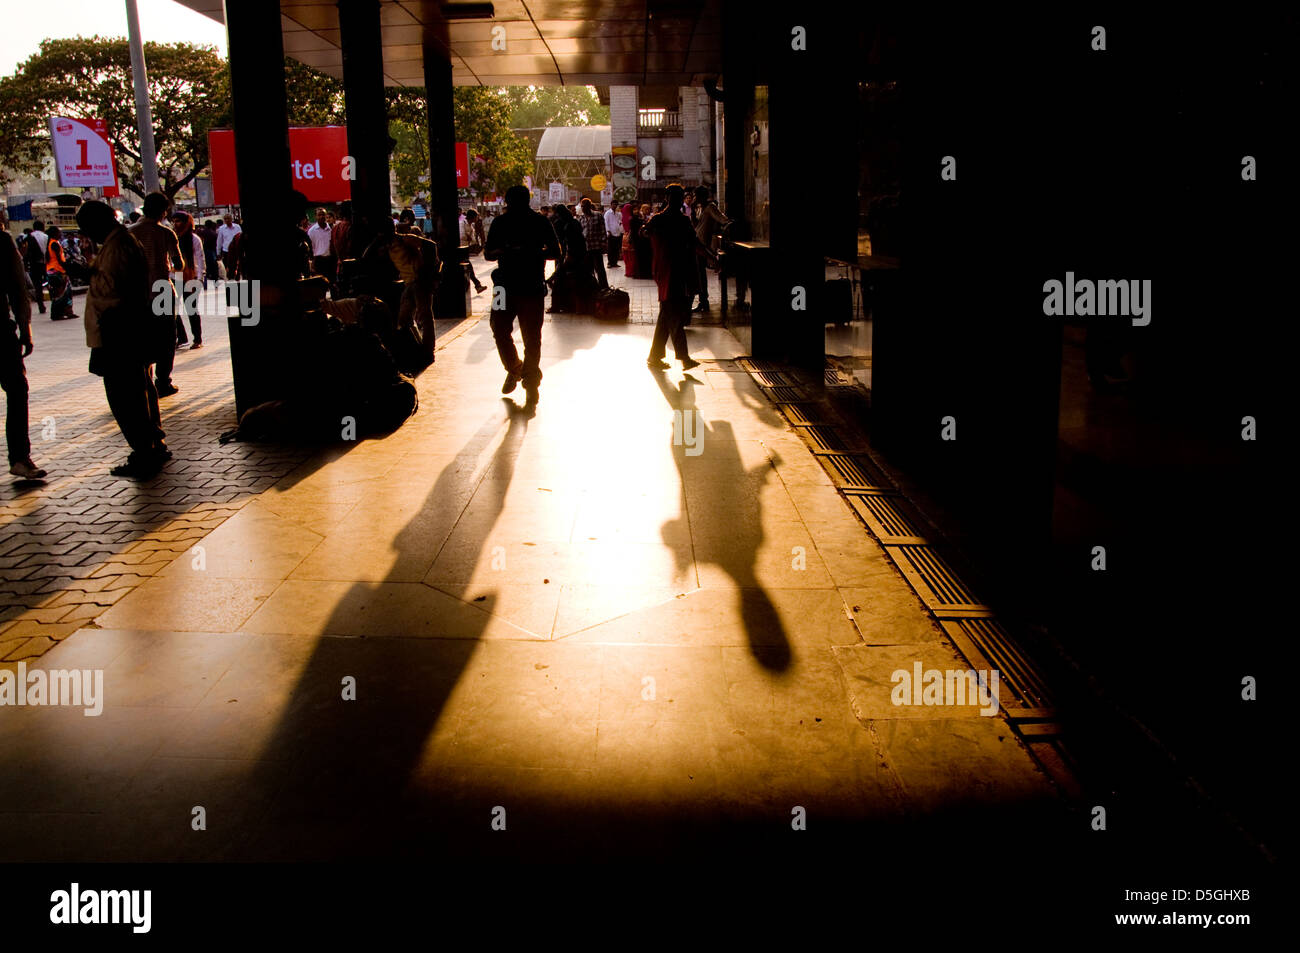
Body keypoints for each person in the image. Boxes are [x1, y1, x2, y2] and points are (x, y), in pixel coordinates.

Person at [76, 200, 169, 478]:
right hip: (125, 328)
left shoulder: (118, 246)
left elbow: (113, 289)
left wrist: (88, 274)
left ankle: (144, 450)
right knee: (138, 389)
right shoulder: (121, 243)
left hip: (118, 329)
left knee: (124, 395)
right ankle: (152, 443)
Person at [484, 185, 561, 405]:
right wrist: (531, 252)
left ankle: (519, 372)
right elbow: (556, 251)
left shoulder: (502, 222)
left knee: (500, 330)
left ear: (507, 201)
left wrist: (517, 251)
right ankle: (524, 375)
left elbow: (488, 253)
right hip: (528, 286)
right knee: (531, 338)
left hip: (507, 286)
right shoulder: (538, 222)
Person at [645, 183, 716, 370]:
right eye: (675, 197)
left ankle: (654, 356)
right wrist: (711, 258)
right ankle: (683, 357)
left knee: (666, 314)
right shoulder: (669, 220)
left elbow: (695, 243)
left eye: (680, 197)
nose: (678, 200)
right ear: (668, 198)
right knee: (674, 314)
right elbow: (695, 244)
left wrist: (711, 257)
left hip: (672, 272)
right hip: (669, 273)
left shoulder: (663, 220)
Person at [1, 209, 46, 479]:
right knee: (17, 391)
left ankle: (20, 457)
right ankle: (19, 457)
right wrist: (25, 328)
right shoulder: (2, 241)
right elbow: (17, 288)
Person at [129, 192, 184, 397]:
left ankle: (145, 381)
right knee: (167, 338)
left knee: (142, 337)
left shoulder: (130, 232)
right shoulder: (166, 233)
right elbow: (178, 265)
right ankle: (163, 382)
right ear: (163, 211)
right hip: (162, 292)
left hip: (138, 294)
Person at [691, 186, 730, 313]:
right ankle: (703, 301)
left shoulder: (710, 207)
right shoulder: (700, 209)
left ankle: (704, 301)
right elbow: (696, 225)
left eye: (696, 196)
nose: (694, 198)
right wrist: (692, 210)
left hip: (703, 244)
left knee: (701, 274)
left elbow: (724, 220)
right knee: (699, 274)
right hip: (697, 243)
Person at [171, 212, 205, 348]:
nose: (175, 224)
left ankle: (197, 339)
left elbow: (200, 258)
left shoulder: (194, 239)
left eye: (178, 221)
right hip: (175, 276)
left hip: (191, 277)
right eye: (173, 221)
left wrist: (200, 277)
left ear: (186, 222)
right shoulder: (172, 237)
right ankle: (182, 337)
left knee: (191, 309)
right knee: (171, 308)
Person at [44, 226, 75, 320]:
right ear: (54, 234)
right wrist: (67, 267)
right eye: (59, 232)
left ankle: (61, 313)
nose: (60, 234)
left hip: (52, 270)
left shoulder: (51, 243)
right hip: (58, 270)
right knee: (62, 293)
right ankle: (60, 313)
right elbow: (59, 260)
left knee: (58, 293)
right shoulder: (54, 244)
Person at [578, 198, 608, 291]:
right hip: (586, 247)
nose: (583, 208)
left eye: (585, 206)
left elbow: (603, 230)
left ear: (589, 206)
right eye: (582, 206)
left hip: (596, 246)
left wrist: (603, 243)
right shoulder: (581, 218)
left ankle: (604, 288)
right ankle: (592, 288)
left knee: (600, 269)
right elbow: (580, 232)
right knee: (588, 269)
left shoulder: (597, 215)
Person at [307, 207, 335, 285]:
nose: (322, 217)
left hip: (330, 259)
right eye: (319, 215)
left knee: (332, 282)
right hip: (319, 260)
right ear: (315, 216)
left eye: (323, 214)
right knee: (321, 284)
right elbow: (311, 247)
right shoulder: (312, 231)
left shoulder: (331, 229)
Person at [25, 220, 48, 314]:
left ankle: (41, 305)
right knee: (50, 283)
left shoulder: (29, 236)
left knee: (38, 285)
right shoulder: (46, 236)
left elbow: (27, 252)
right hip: (47, 263)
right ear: (42, 227)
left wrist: (26, 264)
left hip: (35, 264)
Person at [462, 209, 487, 294]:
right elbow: (462, 236)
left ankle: (477, 285)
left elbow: (472, 240)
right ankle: (477, 285)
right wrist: (467, 237)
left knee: (469, 268)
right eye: (476, 217)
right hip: (460, 250)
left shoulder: (471, 226)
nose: (477, 218)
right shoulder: (462, 224)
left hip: (465, 249)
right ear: (472, 217)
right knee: (469, 268)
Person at [216, 213, 241, 280]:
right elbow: (219, 241)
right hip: (226, 251)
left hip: (236, 251)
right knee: (228, 268)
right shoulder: (221, 228)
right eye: (225, 219)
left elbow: (240, 238)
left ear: (231, 219)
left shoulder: (237, 227)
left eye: (228, 218)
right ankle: (230, 279)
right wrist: (218, 253)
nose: (227, 220)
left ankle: (236, 279)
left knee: (236, 267)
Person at [197, 219, 219, 288]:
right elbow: (216, 244)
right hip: (212, 252)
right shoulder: (214, 234)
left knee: (205, 269)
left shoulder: (201, 233)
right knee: (214, 269)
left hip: (204, 252)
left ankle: (205, 285)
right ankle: (216, 284)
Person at [603, 202, 623, 269]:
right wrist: (608, 231)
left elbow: (620, 221)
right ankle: (609, 263)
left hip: (617, 232)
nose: (615, 206)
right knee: (610, 248)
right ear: (611, 205)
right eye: (613, 204)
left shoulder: (617, 214)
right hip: (610, 232)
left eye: (616, 204)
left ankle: (615, 262)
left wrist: (619, 227)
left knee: (616, 248)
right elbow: (606, 222)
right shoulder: (608, 213)